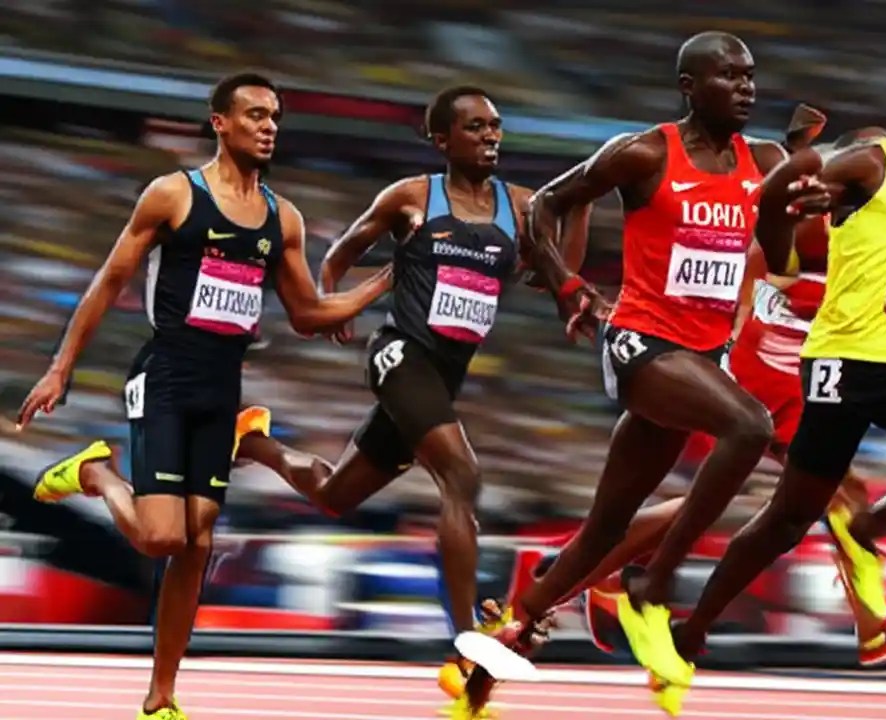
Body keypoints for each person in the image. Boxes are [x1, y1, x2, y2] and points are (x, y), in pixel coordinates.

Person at [457, 31, 830, 716]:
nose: (746, 88)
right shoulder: (644, 152)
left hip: (703, 358)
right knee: (748, 425)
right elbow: (544, 204)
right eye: (729, 77)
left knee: (603, 529)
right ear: (689, 87)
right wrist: (566, 283)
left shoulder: (768, 161)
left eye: (751, 77)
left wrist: (800, 214)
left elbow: (782, 259)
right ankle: (654, 593)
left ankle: (491, 655)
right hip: (642, 347)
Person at [630, 61, 886, 703]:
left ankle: (866, 530)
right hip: (843, 364)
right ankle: (693, 630)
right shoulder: (868, 163)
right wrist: (784, 240)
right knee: (787, 519)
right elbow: (775, 191)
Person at [15, 72, 390, 719]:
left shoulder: (283, 217)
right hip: (166, 374)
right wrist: (60, 368)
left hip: (223, 386)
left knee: (198, 542)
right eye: (254, 114)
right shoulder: (174, 196)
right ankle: (96, 471)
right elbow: (109, 281)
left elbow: (307, 312)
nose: (269, 125)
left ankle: (161, 698)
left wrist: (387, 278)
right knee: (162, 537)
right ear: (220, 122)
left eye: (275, 115)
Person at [294, 85, 582, 713]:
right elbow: (343, 249)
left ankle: (252, 440)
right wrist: (330, 297)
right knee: (463, 474)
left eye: (496, 126)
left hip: (443, 378)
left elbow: (557, 274)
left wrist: (575, 209)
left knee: (335, 494)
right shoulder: (412, 197)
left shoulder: (523, 208)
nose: (490, 136)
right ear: (441, 139)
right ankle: (466, 645)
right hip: (398, 355)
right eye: (475, 127)